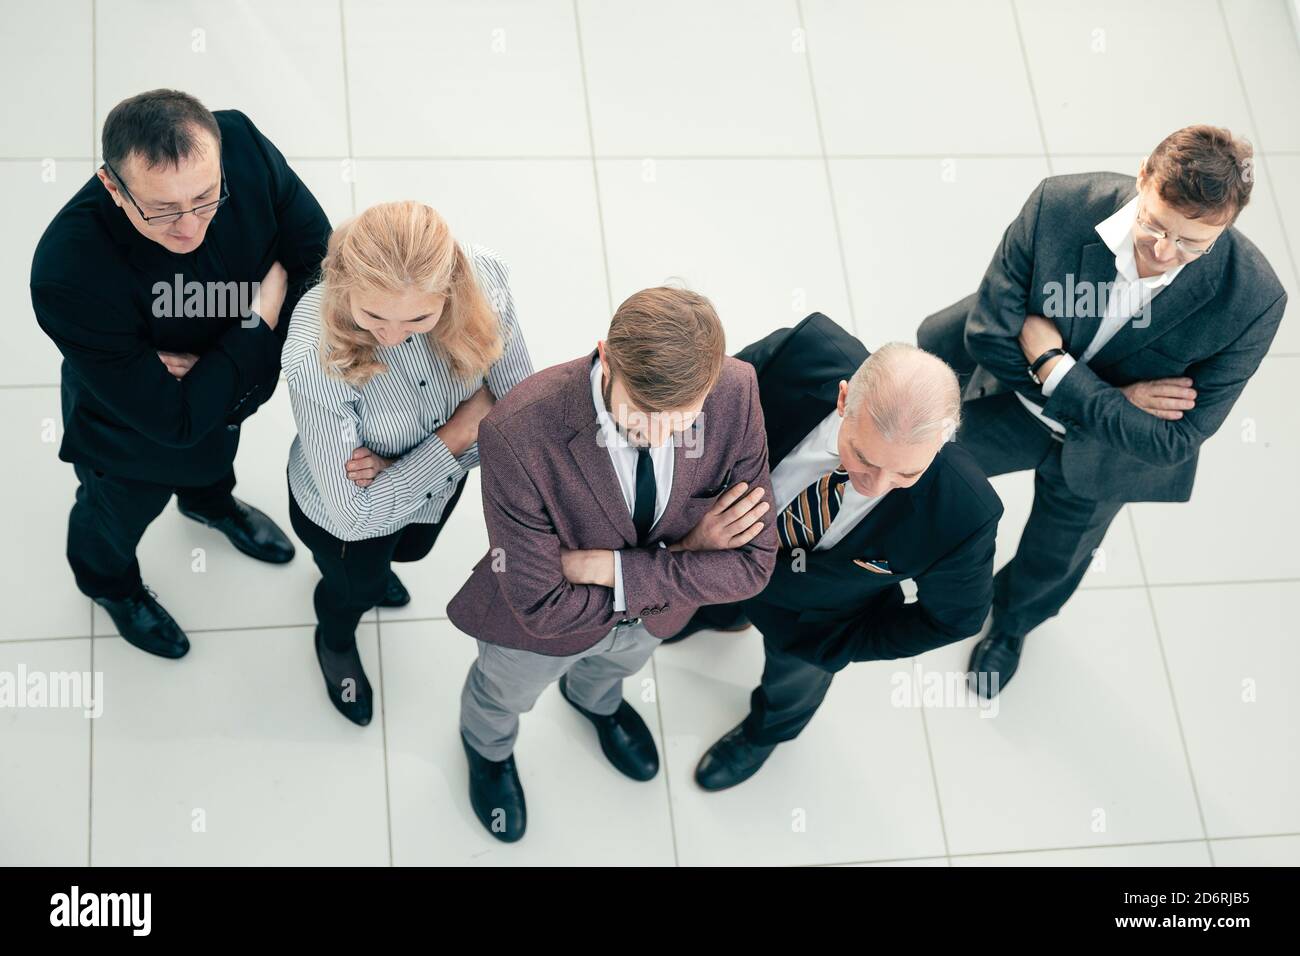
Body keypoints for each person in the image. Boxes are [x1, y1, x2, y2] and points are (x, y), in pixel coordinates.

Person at [918, 124, 1287, 697]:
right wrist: (1119, 402)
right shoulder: (1058, 205)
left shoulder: (1255, 299)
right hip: (1011, 403)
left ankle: (1010, 628)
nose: (1165, 254)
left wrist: (1054, 366)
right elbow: (990, 334)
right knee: (922, 477)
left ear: (1228, 225)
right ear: (1143, 175)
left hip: (1108, 455)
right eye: (1156, 225)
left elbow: (1175, 440)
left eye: (1194, 244)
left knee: (1054, 561)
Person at [447, 287, 779, 842]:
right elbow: (541, 606)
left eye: (680, 422)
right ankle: (488, 750)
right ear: (606, 357)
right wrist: (692, 555)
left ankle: (592, 701)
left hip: (654, 619)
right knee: (500, 695)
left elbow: (752, 566)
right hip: (535, 636)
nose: (655, 437)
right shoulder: (518, 432)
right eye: (642, 415)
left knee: (614, 669)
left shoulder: (735, 390)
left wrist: (620, 570)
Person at [30, 89, 330, 659]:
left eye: (206, 197)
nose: (191, 226)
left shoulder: (240, 142)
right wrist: (260, 316)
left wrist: (219, 368)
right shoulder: (66, 271)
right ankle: (112, 588)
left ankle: (209, 505)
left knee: (214, 461)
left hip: (222, 405)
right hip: (127, 437)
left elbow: (320, 266)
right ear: (114, 188)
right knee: (111, 520)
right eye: (163, 209)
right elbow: (173, 421)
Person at [669, 316, 1003, 790]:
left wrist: (844, 642)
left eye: (905, 474)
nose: (876, 484)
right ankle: (724, 615)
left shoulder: (963, 513)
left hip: (813, 625)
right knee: (719, 600)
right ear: (844, 399)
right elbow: (703, 414)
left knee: (790, 690)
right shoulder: (800, 353)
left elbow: (956, 619)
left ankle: (765, 734)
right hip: (722, 552)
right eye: (863, 457)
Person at [283, 201, 533, 726]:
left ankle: (378, 580)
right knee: (351, 588)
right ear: (344, 283)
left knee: (413, 549)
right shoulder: (313, 349)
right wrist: (459, 432)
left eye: (419, 317)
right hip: (340, 522)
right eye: (373, 316)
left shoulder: (483, 276)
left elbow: (517, 414)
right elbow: (355, 516)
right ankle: (334, 639)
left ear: (450, 290)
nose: (393, 335)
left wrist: (398, 466)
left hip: (435, 494)